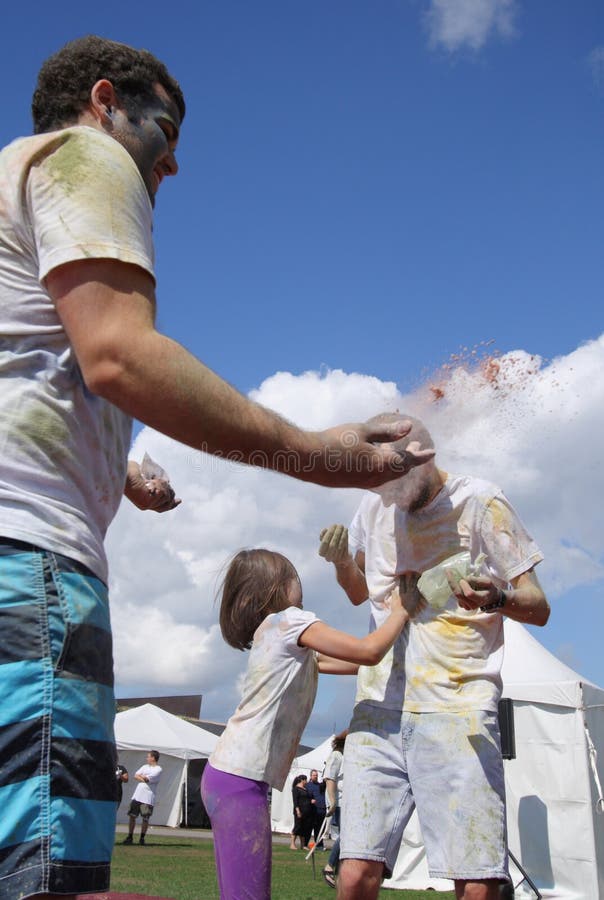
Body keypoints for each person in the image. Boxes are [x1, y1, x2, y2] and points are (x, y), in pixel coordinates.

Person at [0, 35, 436, 900]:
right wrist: (317, 456)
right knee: (50, 880)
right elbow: (120, 356)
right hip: (32, 561)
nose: (173, 165)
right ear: (104, 102)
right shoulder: (87, 154)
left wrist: (123, 470)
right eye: (165, 132)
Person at [319, 413, 550, 900]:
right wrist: (342, 564)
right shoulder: (374, 503)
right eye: (380, 485)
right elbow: (360, 593)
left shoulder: (482, 502)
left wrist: (497, 598)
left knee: (477, 881)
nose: (391, 500)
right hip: (378, 710)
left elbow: (539, 605)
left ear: (424, 459)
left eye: (397, 485)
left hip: (457, 706)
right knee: (355, 873)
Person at [200, 548, 419, 900]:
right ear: (276, 588)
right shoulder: (291, 622)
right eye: (293, 578)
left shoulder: (273, 635)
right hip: (240, 779)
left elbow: (358, 663)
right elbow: (368, 652)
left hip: (225, 776)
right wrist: (403, 608)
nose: (300, 584)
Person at [321, 730, 347, 888]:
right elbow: (330, 778)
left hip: (348, 802)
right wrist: (332, 801)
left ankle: (339, 871)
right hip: (340, 802)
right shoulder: (336, 756)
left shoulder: (346, 757)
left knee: (348, 837)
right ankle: (330, 867)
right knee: (346, 836)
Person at [122, 751, 163, 846]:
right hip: (137, 796)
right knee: (132, 816)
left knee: (145, 818)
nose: (147, 758)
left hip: (148, 797)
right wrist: (143, 778)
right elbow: (136, 775)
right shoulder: (145, 766)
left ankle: (142, 838)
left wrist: (143, 778)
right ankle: (130, 836)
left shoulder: (158, 769)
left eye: (148, 757)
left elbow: (147, 779)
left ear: (153, 758)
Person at [306, 768, 327, 850]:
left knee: (320, 829)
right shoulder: (307, 786)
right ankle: (305, 844)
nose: (315, 777)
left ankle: (319, 845)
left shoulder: (320, 785)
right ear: (310, 776)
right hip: (313, 810)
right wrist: (310, 800)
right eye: (314, 775)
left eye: (317, 775)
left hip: (322, 810)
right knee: (310, 828)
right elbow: (304, 797)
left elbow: (326, 782)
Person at [291, 775, 314, 850]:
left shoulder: (305, 789)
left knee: (304, 828)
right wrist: (298, 811)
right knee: (297, 827)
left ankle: (303, 845)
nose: (306, 782)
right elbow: (295, 801)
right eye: (305, 780)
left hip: (306, 812)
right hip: (299, 811)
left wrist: (311, 801)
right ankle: (292, 844)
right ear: (302, 780)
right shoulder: (296, 789)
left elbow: (306, 799)